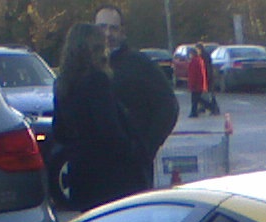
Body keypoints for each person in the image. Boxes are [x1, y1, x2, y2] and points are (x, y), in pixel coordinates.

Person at [52, 22, 146, 210]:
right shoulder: (97, 81)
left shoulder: (62, 84)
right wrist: (133, 150)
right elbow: (110, 130)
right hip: (109, 177)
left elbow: (59, 131)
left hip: (80, 175)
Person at [93, 4, 179, 188]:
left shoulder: (140, 65)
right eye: (102, 27)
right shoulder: (86, 66)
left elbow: (168, 106)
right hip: (96, 174)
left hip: (131, 174)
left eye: (113, 28)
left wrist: (146, 149)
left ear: (122, 31)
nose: (107, 33)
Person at [187, 42, 209, 117]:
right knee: (197, 99)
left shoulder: (194, 61)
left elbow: (193, 74)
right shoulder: (199, 60)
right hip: (199, 84)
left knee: (195, 99)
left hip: (196, 84)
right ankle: (194, 112)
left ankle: (194, 112)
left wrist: (192, 84)